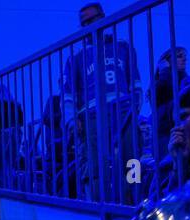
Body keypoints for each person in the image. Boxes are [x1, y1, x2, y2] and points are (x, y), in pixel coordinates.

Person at [61, 2, 143, 202]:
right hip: (91, 116)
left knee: (132, 159)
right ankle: (100, 207)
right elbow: (68, 95)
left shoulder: (123, 47)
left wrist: (135, 108)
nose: (89, 25)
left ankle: (131, 203)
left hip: (124, 110)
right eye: (84, 23)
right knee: (95, 164)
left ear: (103, 18)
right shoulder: (76, 57)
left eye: (93, 19)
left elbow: (136, 83)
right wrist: (73, 121)